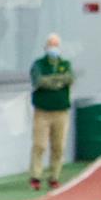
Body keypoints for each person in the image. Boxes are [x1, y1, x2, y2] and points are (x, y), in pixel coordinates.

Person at [28, 33, 72, 191]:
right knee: (39, 145)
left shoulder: (65, 64)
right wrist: (57, 81)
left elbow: (69, 78)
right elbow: (39, 80)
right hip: (42, 112)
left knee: (58, 146)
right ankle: (35, 176)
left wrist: (52, 80)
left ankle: (54, 176)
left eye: (56, 45)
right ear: (46, 46)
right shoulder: (38, 64)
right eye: (51, 44)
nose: (53, 48)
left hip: (61, 112)